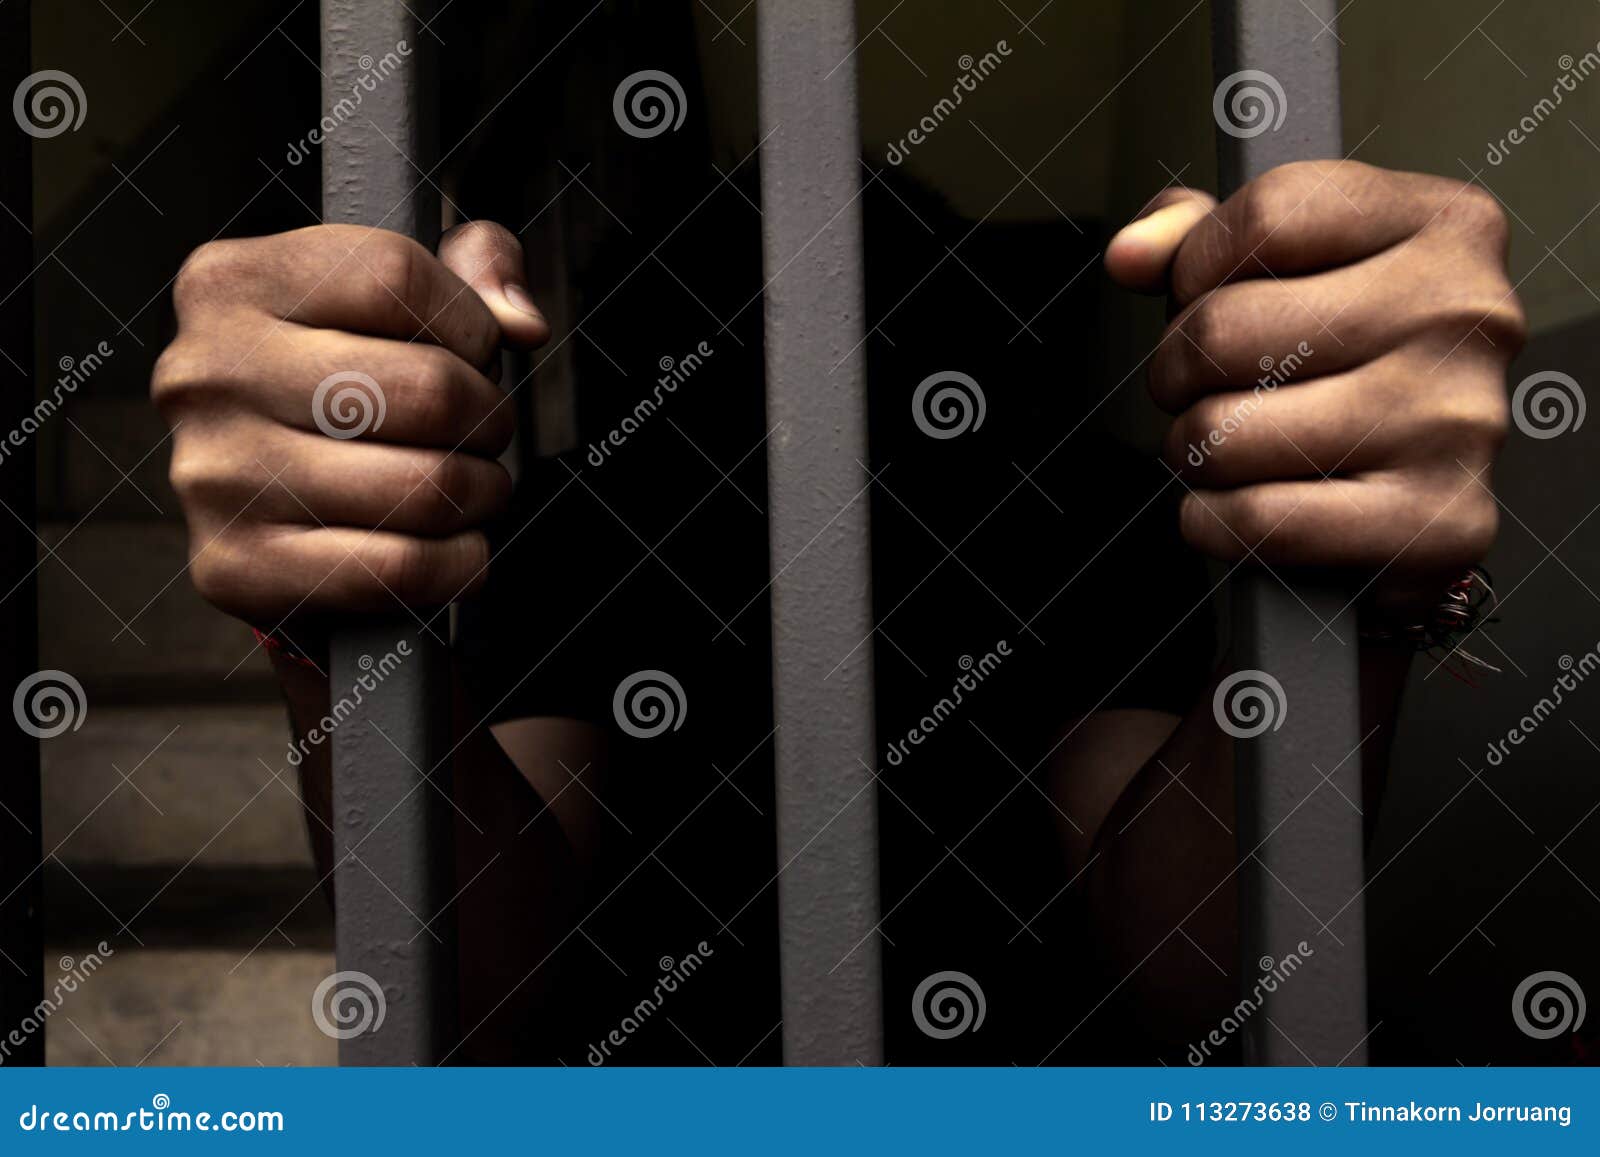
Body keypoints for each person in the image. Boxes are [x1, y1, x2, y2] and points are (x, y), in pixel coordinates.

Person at [149, 15, 1522, 1064]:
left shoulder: (1069, 511)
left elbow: (1200, 963)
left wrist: (1350, 575)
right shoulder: (596, 524)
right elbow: (469, 980)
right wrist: (339, 593)